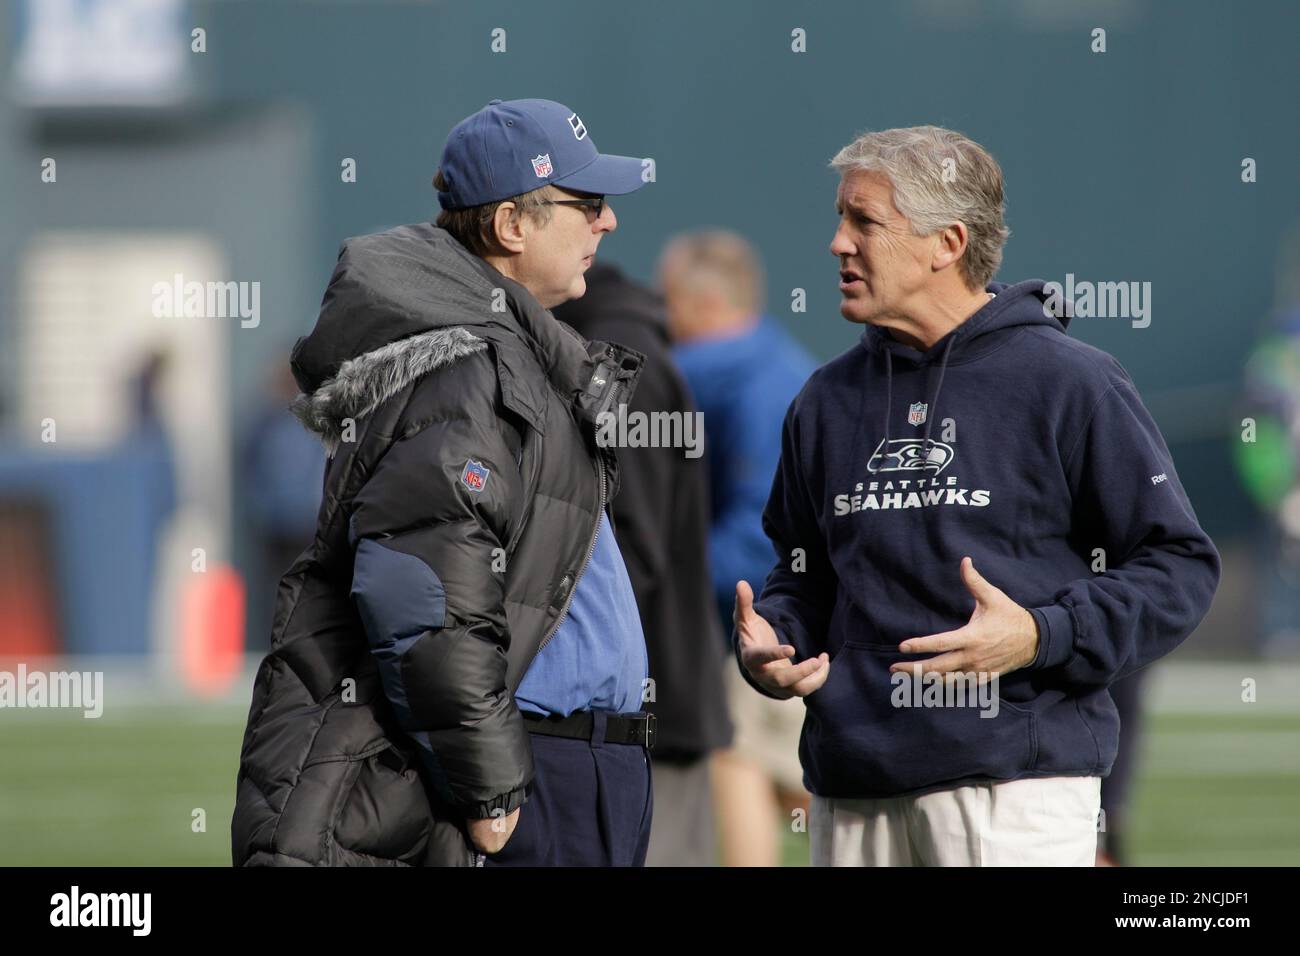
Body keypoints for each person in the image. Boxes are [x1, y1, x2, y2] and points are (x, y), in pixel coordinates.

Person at [732, 125, 1221, 866]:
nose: (837, 243)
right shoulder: (822, 402)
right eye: (840, 218)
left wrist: (1039, 635)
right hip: (853, 786)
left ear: (947, 243)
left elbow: (1179, 567)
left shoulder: (1071, 382)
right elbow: (804, 576)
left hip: (1016, 791)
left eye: (864, 221)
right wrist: (779, 638)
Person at [232, 98, 655, 866]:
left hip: (570, 765)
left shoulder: (510, 353)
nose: (608, 223)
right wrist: (491, 788)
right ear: (510, 226)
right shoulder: (462, 371)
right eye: (586, 203)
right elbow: (424, 596)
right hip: (528, 772)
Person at [554, 262, 734, 866]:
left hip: (647, 709)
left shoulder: (624, 363)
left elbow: (635, 547)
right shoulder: (620, 348)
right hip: (639, 701)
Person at [658, 232, 815, 866]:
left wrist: (657, 586)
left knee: (737, 755)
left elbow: (756, 537)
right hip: (797, 612)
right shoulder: (787, 367)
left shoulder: (730, 380)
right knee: (797, 782)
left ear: (701, 302)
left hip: (765, 617)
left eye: (670, 301)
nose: (664, 318)